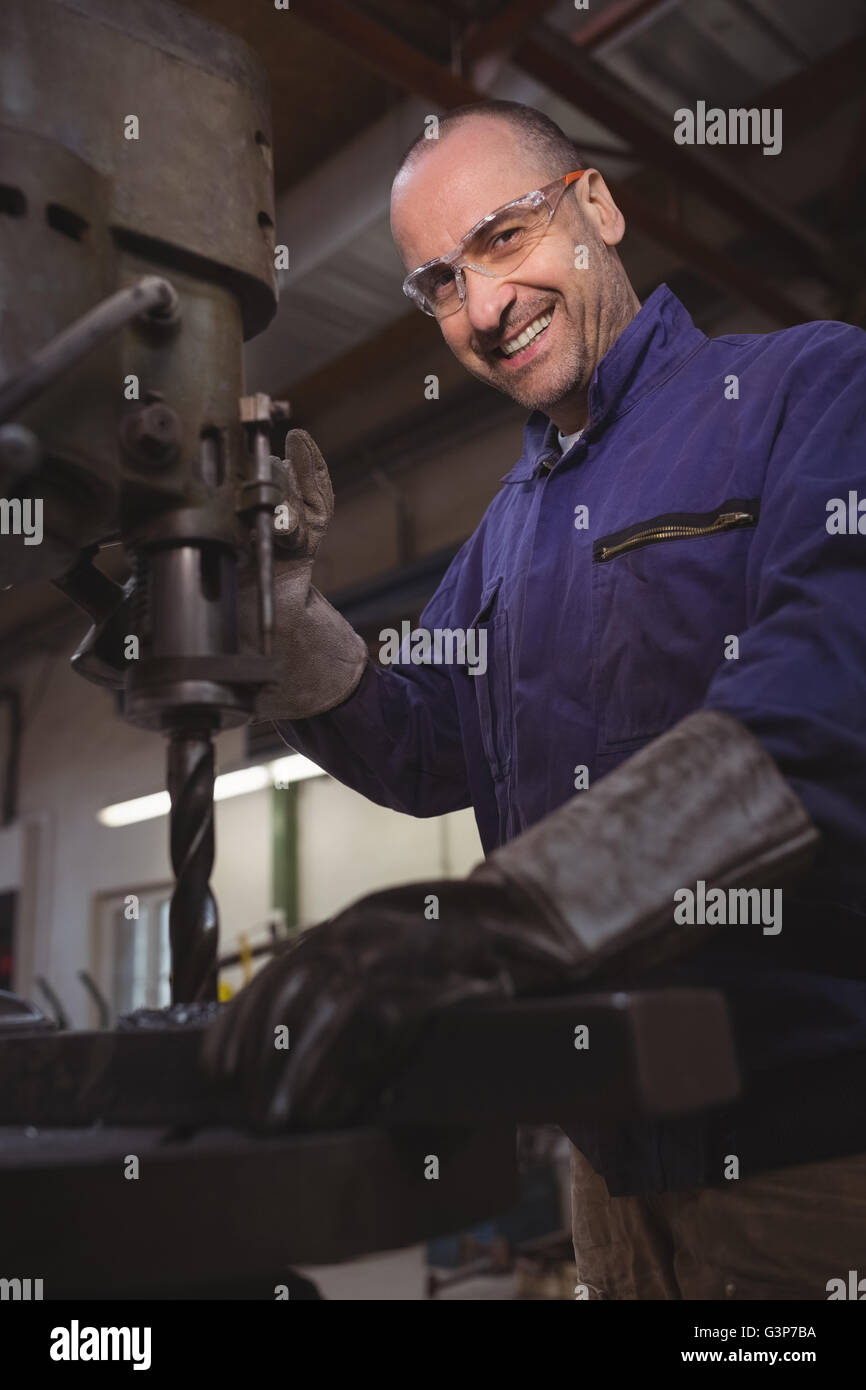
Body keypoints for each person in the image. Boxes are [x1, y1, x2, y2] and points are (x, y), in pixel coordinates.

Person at [205, 101, 866, 1299]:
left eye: (504, 239)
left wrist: (491, 925)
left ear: (595, 206)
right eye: (438, 284)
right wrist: (283, 630)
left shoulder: (809, 388)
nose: (481, 306)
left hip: (811, 1159)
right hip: (604, 1176)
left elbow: (823, 711)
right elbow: (420, 748)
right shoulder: (506, 534)